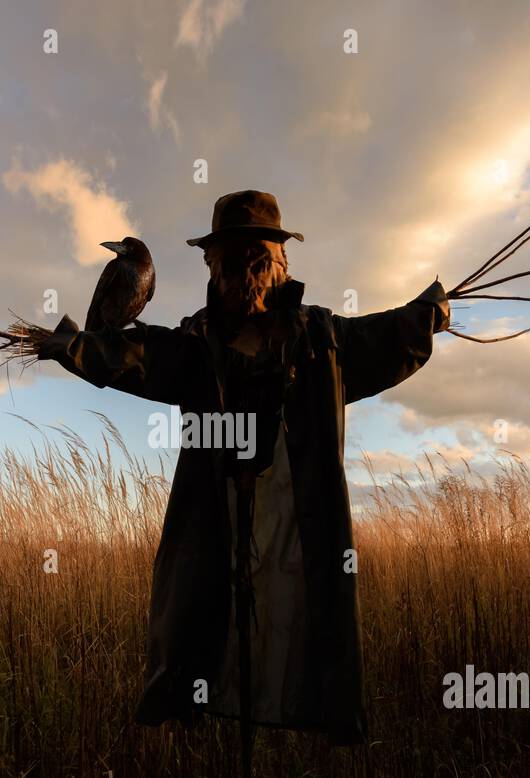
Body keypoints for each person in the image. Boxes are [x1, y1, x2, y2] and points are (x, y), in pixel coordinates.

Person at [37, 189, 449, 745]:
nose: (246, 272)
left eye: (258, 258)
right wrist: (70, 345)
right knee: (204, 626)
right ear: (213, 267)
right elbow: (135, 356)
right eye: (232, 261)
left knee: (300, 629)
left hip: (291, 540)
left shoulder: (322, 343)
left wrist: (427, 312)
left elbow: (387, 334)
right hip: (218, 536)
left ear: (281, 262)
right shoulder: (195, 345)